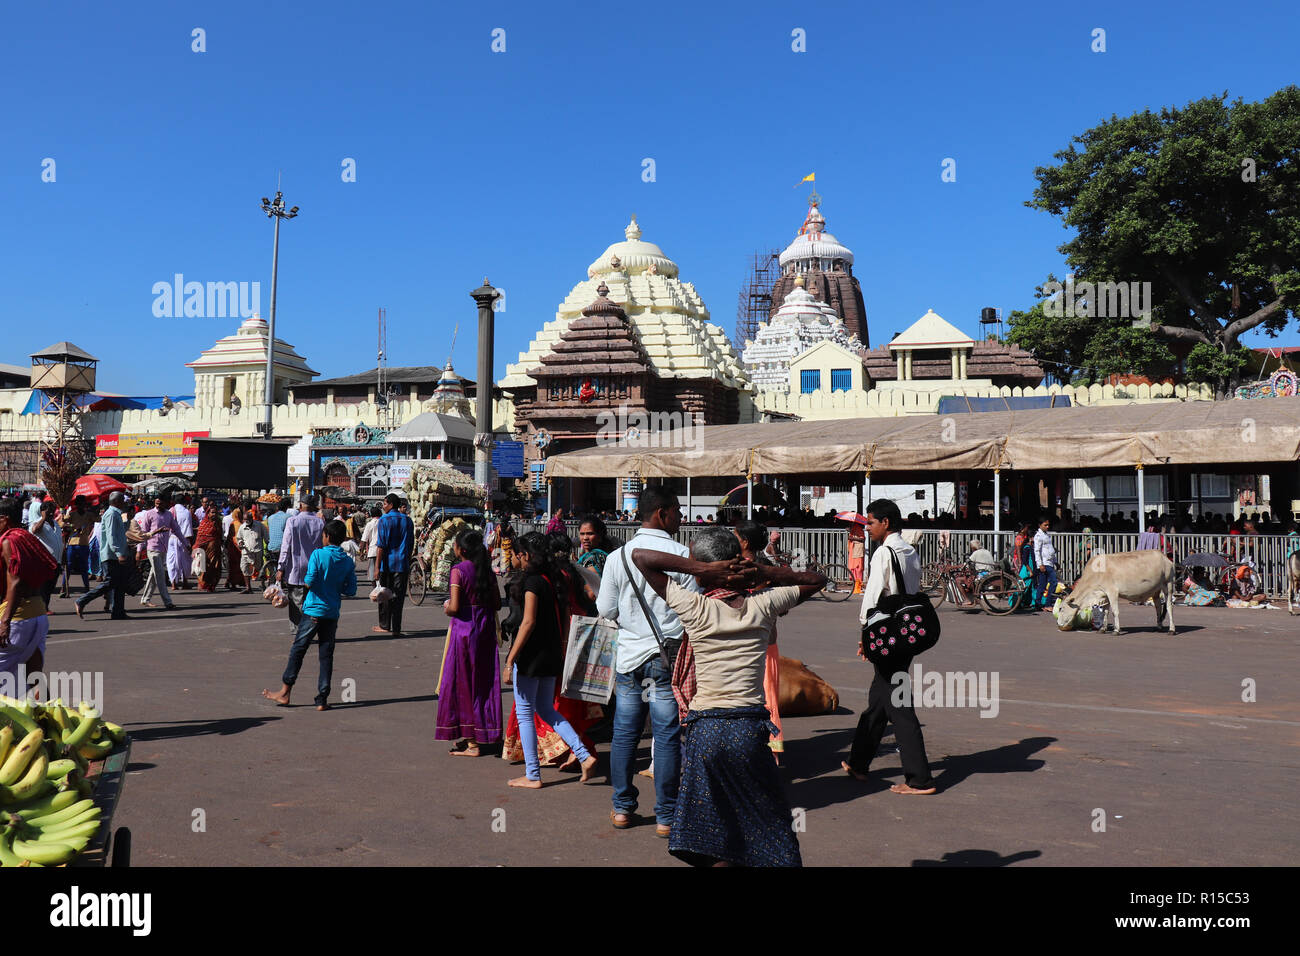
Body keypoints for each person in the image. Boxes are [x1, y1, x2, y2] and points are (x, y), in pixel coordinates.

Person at [631, 528, 823, 866]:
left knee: (714, 833)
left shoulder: (693, 606)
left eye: (695, 563)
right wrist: (766, 572)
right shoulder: (765, 604)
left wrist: (703, 570)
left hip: (705, 732)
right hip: (748, 732)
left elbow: (641, 558)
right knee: (769, 824)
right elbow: (816, 579)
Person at [596, 486, 700, 834]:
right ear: (663, 513)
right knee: (667, 735)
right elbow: (694, 609)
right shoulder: (684, 554)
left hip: (629, 658)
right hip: (667, 659)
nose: (681, 518)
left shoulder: (618, 557)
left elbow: (606, 610)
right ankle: (666, 816)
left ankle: (623, 808)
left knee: (625, 733)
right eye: (677, 511)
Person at [842, 498, 938, 795]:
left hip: (886, 632)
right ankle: (858, 762)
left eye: (870, 522)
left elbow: (871, 599)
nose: (867, 527)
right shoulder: (909, 551)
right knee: (879, 699)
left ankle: (919, 778)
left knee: (898, 703)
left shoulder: (884, 553)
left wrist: (864, 635)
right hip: (907, 630)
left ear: (885, 522)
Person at [501, 531, 599, 788]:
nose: (514, 559)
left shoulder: (533, 582)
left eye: (516, 554)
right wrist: (563, 646)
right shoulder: (552, 579)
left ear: (525, 556)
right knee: (547, 709)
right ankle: (583, 755)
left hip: (533, 655)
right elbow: (565, 616)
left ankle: (533, 773)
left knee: (525, 712)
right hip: (552, 652)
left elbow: (528, 621)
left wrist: (510, 659)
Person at [262, 519, 357, 710]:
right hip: (331, 612)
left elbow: (310, 580)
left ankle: (285, 691)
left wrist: (304, 586)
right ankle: (322, 698)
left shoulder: (318, 554)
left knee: (298, 649)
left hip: (313, 609)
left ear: (327, 536)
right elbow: (351, 589)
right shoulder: (347, 561)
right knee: (326, 654)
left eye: (323, 535)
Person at [436, 529, 503, 755]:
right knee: (483, 682)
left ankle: (472, 742)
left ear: (461, 549)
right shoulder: (488, 571)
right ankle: (482, 732)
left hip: (464, 630)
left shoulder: (459, 570)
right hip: (484, 629)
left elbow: (454, 607)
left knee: (461, 682)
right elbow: (497, 604)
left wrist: (446, 608)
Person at [0, 498, 57, 690]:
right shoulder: (26, 536)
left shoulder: (10, 540)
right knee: (34, 676)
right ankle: (49, 718)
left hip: (17, 617)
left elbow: (15, 582)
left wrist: (5, 622)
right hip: (38, 613)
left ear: (5, 519)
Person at [76, 491, 131, 620]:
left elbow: (119, 532)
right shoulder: (111, 514)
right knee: (110, 582)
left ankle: (118, 611)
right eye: (123, 500)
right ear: (117, 501)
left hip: (117, 554)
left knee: (120, 584)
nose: (124, 503)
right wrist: (118, 553)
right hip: (112, 555)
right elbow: (111, 536)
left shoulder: (116, 514)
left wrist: (127, 520)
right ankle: (82, 600)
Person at [278, 496, 326, 630]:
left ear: (300, 505)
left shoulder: (293, 521)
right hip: (315, 569)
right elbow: (323, 546)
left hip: (296, 570)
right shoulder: (320, 522)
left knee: (296, 603)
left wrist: (280, 567)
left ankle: (298, 632)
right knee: (313, 602)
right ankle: (310, 629)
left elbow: (285, 546)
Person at [373, 493, 414, 638]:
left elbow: (381, 546)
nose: (383, 507)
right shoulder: (408, 521)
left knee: (384, 595)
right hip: (402, 564)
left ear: (390, 504)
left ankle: (385, 625)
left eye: (384, 504)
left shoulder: (384, 520)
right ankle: (396, 627)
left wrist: (377, 567)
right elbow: (410, 545)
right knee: (398, 597)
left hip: (387, 564)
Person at [137, 493, 182, 610]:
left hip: (163, 549)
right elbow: (143, 533)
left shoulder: (169, 515)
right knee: (160, 575)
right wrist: (139, 550)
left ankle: (145, 599)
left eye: (160, 503)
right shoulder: (149, 514)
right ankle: (168, 602)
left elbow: (176, 529)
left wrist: (186, 543)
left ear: (166, 503)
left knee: (154, 574)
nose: (158, 505)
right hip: (152, 549)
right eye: (156, 503)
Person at [30, 499, 64, 610]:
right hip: (45, 562)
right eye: (48, 511)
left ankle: (45, 607)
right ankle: (42, 608)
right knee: (44, 587)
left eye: (53, 511)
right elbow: (34, 530)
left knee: (51, 587)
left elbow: (59, 540)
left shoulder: (55, 523)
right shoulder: (38, 522)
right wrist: (43, 518)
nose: (51, 513)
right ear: (42, 512)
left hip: (56, 561)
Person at [60, 495, 95, 598]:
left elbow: (98, 519)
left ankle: (87, 588)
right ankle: (64, 588)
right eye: (79, 504)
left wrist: (97, 511)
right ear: (76, 505)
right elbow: (61, 523)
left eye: (83, 503)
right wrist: (72, 526)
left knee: (84, 568)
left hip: (84, 544)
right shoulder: (72, 515)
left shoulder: (89, 515)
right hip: (72, 544)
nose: (81, 506)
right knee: (68, 567)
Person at [193, 505, 224, 592]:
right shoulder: (204, 523)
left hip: (215, 549)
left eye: (215, 512)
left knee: (215, 566)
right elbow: (200, 538)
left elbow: (220, 534)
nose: (214, 514)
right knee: (203, 566)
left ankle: (212, 585)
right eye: (212, 512)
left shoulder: (218, 522)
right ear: (208, 513)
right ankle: (203, 583)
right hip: (204, 550)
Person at [1033, 515, 1059, 610]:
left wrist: (1055, 561)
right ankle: (1048, 604)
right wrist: (1040, 564)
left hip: (1050, 562)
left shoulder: (1046, 535)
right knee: (1053, 582)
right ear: (1040, 525)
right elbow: (1037, 551)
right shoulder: (1038, 536)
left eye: (1048, 525)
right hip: (1044, 564)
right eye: (1045, 525)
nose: (1047, 527)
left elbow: (1050, 549)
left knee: (1042, 584)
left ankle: (1038, 604)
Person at [238, 509, 267, 593]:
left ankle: (263, 585)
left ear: (252, 519)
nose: (247, 521)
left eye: (248, 520)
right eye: (245, 520)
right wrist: (240, 543)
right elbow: (239, 538)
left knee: (260, 568)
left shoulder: (259, 525)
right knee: (244, 568)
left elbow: (266, 536)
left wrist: (268, 544)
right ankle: (248, 588)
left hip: (257, 551)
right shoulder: (242, 527)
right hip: (246, 552)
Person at [360, 504, 382, 583]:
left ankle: (375, 591)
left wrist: (361, 552)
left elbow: (364, 539)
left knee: (373, 575)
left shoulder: (369, 524)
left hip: (373, 551)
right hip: (383, 551)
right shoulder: (383, 522)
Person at [847, 521, 866, 594]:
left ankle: (858, 587)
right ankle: (855, 586)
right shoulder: (853, 529)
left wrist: (852, 538)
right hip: (853, 551)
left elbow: (862, 539)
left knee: (858, 569)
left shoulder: (858, 528)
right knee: (853, 569)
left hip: (857, 551)